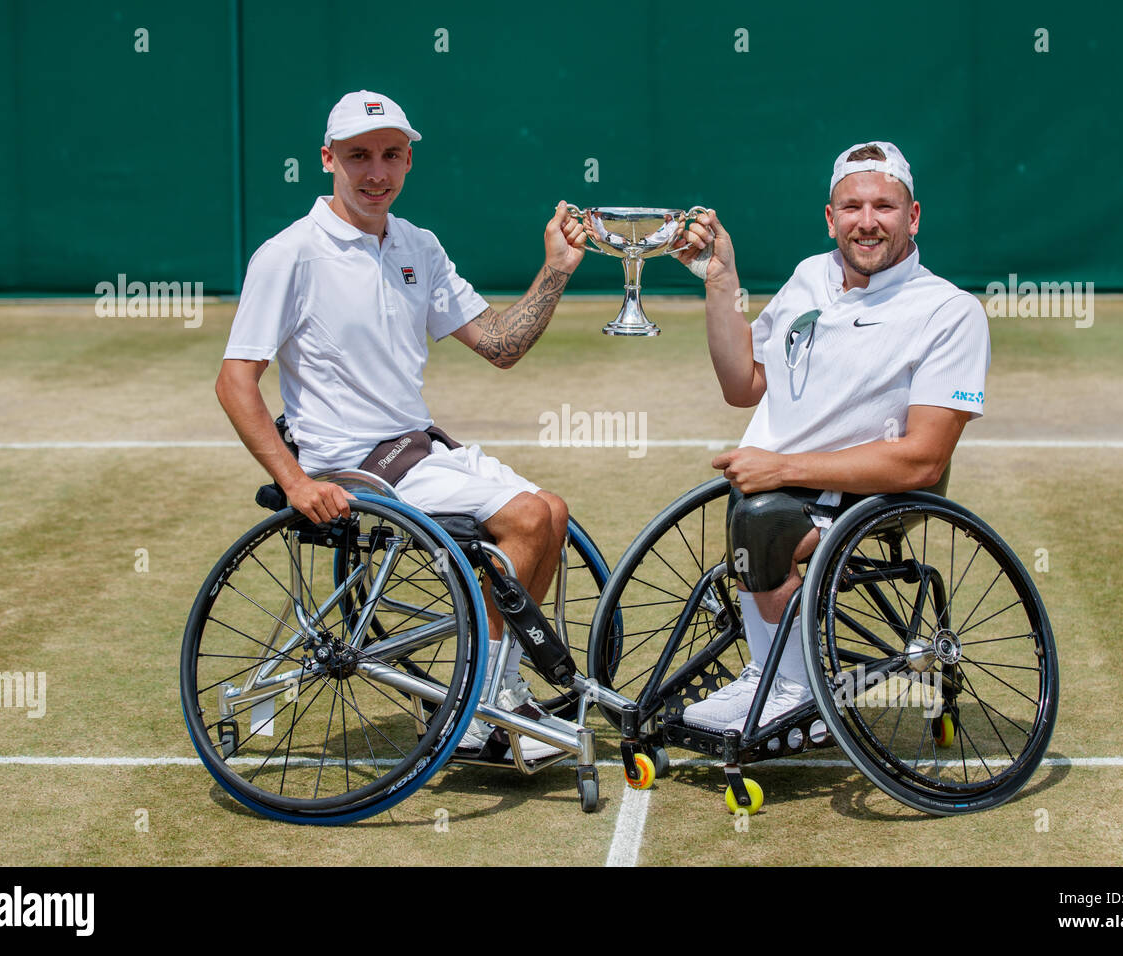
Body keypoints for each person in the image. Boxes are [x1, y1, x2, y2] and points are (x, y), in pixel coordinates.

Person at [214, 90, 587, 759]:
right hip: (351, 469)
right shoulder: (289, 254)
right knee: (529, 518)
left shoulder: (418, 244)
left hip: (417, 451)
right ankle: (479, 709)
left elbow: (500, 346)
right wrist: (297, 484)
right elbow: (235, 381)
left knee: (551, 512)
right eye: (358, 156)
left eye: (390, 155)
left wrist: (556, 270)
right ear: (328, 159)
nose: (375, 173)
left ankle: (494, 697)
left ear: (409, 160)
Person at [672, 141, 991, 732]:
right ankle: (771, 672)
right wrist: (720, 283)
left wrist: (783, 469)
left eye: (884, 207)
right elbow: (744, 384)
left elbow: (923, 462)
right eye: (852, 207)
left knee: (761, 519)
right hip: (776, 484)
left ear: (913, 215)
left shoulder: (950, 311)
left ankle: (792, 688)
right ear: (830, 217)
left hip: (868, 495)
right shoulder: (808, 277)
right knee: (757, 513)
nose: (867, 222)